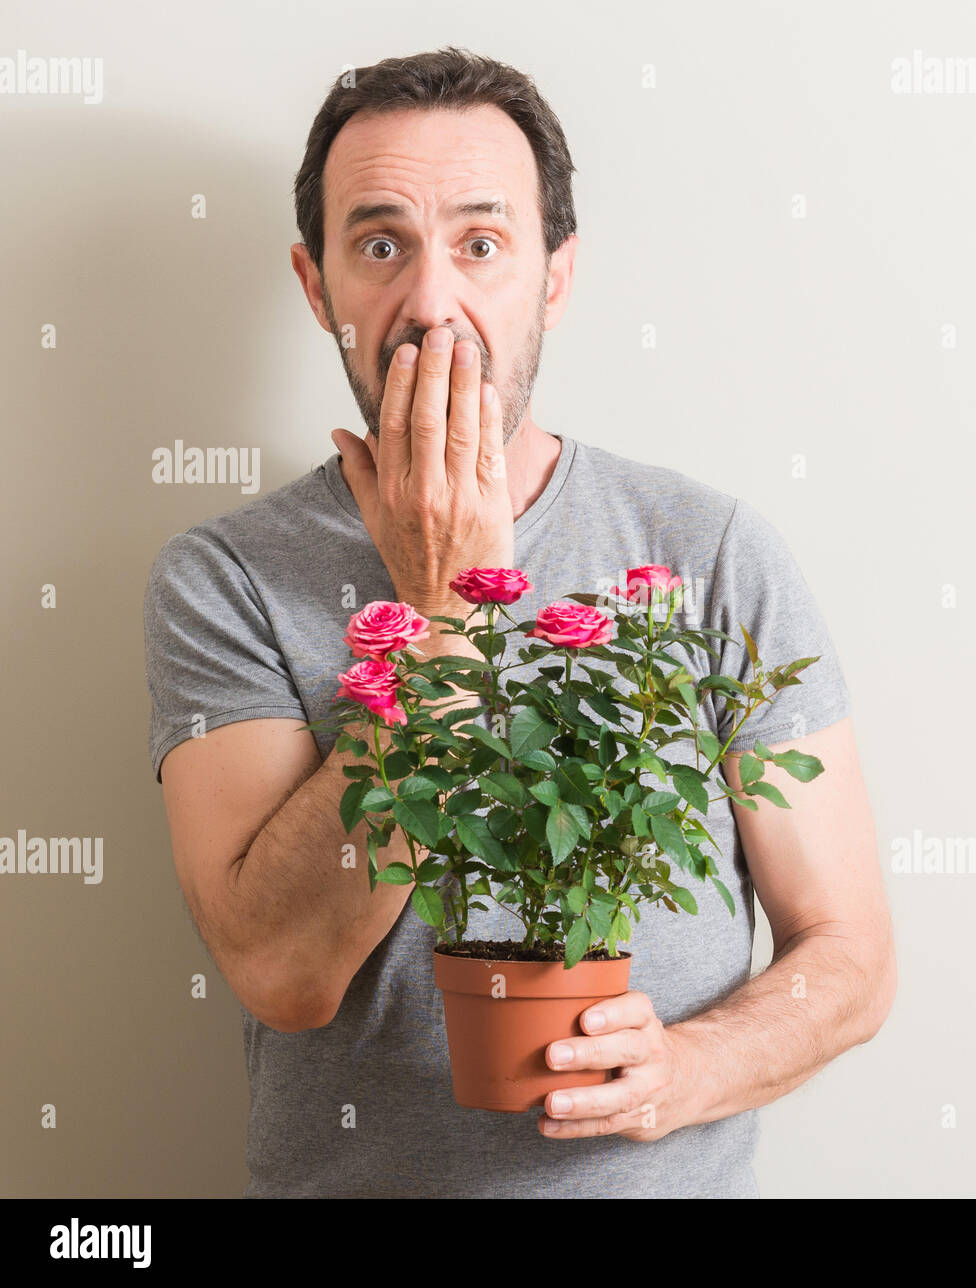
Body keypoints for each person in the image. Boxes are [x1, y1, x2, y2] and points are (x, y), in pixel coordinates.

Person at [143, 46, 896, 1199]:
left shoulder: (708, 552)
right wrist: (444, 614)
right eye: (381, 244)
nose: (432, 302)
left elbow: (847, 955)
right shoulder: (224, 578)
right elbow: (283, 970)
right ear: (317, 285)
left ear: (553, 275)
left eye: (482, 244)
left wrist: (682, 1070)